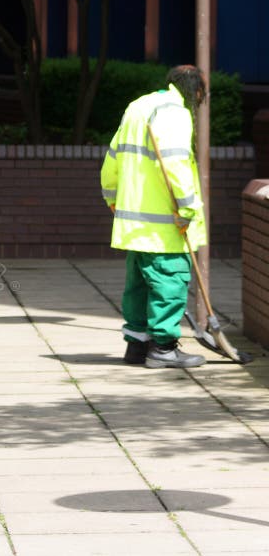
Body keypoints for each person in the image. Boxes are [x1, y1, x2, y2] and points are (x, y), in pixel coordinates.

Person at [100, 65, 208, 369]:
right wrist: (187, 210)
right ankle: (164, 348)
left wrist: (111, 198)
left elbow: (112, 159)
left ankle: (136, 347)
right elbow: (174, 163)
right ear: (195, 91)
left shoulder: (139, 106)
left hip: (135, 224)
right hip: (164, 224)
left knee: (138, 286)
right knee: (169, 283)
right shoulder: (174, 112)